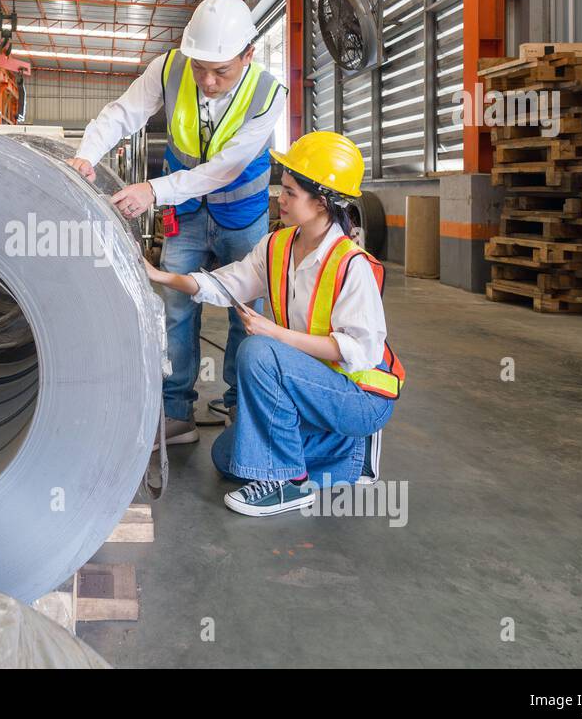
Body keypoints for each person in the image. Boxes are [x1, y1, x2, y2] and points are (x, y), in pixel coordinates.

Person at [143, 131, 405, 517]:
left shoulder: (352, 265)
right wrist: (161, 277)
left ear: (321, 203)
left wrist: (275, 334)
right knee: (228, 456)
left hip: (358, 395)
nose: (279, 198)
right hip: (310, 387)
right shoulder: (277, 246)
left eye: (290, 192)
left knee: (259, 352)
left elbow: (359, 351)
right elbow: (225, 283)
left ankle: (288, 484)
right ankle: (348, 454)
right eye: (281, 188)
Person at [66, 0, 286, 445]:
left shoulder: (268, 95)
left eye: (220, 70)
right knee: (175, 310)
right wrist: (87, 155)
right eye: (199, 66)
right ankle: (176, 414)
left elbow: (224, 168)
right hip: (184, 216)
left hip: (243, 219)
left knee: (249, 313)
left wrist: (155, 190)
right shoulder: (168, 68)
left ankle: (240, 406)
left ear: (248, 54)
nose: (206, 79)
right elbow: (122, 114)